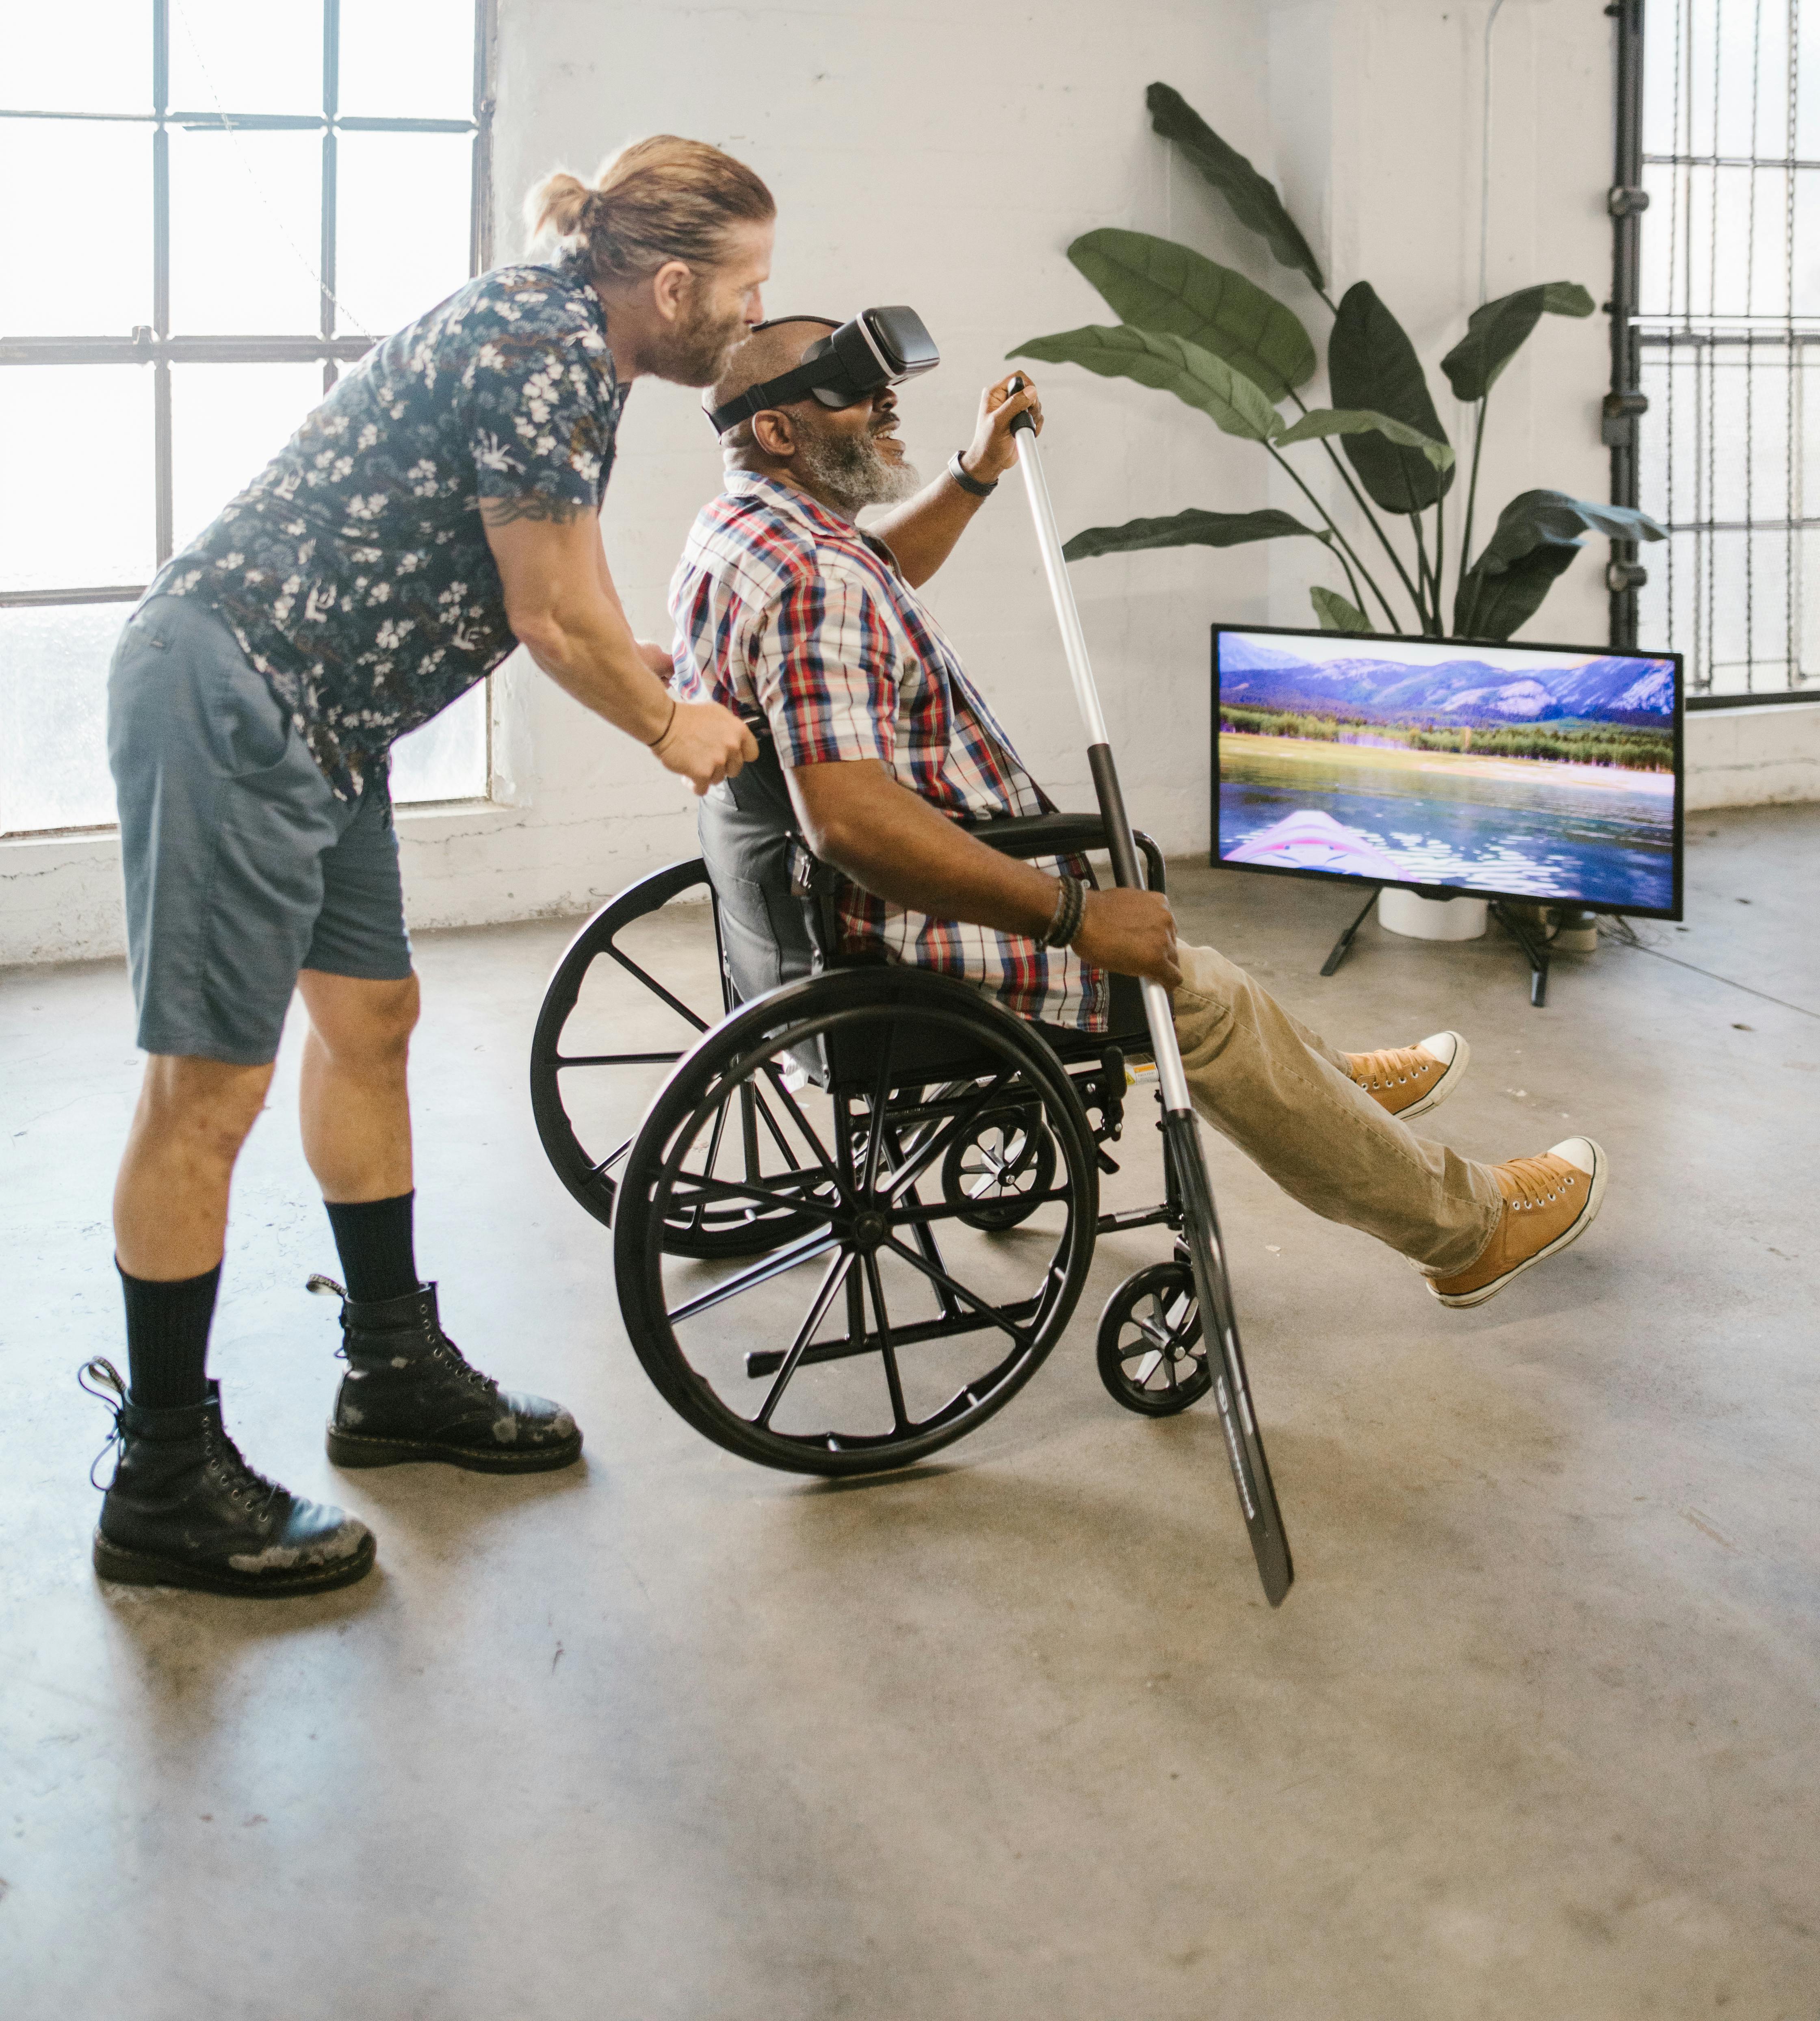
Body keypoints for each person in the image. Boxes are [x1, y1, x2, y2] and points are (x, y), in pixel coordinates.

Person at [87, 136, 769, 1600]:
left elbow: (568, 576)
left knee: (374, 1025)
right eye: (749, 284)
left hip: (326, 718)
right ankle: (159, 1479)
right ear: (672, 284)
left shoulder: (572, 348)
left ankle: (391, 1371)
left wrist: (630, 656)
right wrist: (668, 723)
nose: (756, 309)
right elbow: (546, 617)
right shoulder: (543, 346)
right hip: (234, 692)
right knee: (208, 1088)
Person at [668, 319, 1608, 1324]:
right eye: (856, 388)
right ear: (776, 430)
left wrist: (976, 473)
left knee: (1185, 959)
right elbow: (852, 822)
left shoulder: (750, 534)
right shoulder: (816, 578)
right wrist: (1072, 917)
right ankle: (1464, 1232)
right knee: (1189, 993)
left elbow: (875, 575)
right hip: (910, 933)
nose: (889, 402)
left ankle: (1328, 1083)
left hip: (805, 925)